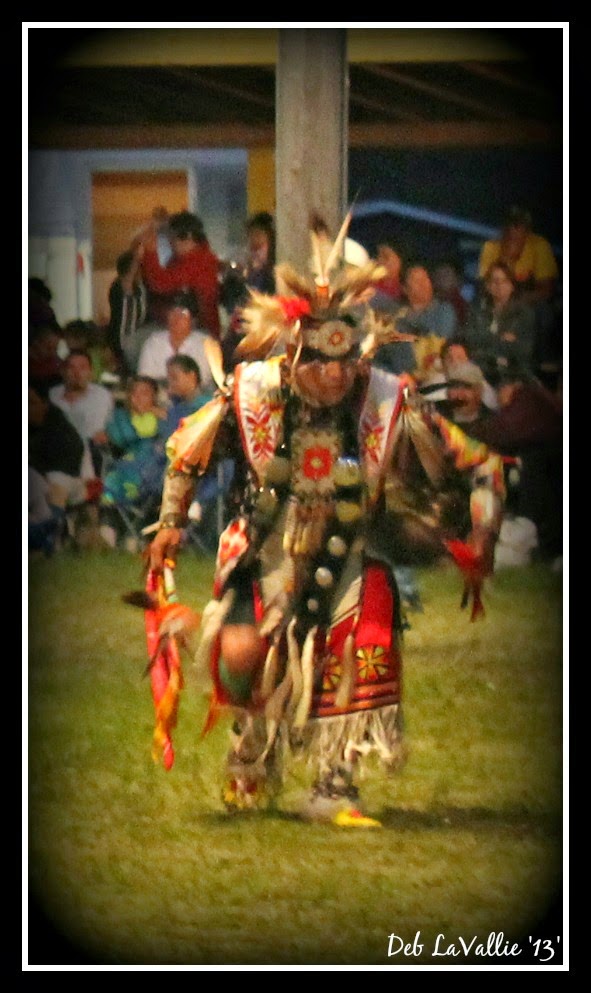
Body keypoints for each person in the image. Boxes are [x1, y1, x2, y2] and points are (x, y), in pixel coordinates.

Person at [143, 229, 505, 827]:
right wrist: (169, 524)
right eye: (320, 363)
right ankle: (250, 761)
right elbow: (187, 452)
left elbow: (478, 461)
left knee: (367, 638)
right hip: (267, 549)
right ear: (293, 357)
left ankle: (336, 785)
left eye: (344, 363)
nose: (335, 377)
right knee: (241, 657)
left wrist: (480, 535)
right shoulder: (254, 392)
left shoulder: (387, 398)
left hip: (354, 548)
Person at [466, 362, 562, 565]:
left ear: (510, 387)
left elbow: (507, 430)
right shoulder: (536, 399)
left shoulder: (526, 399)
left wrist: (469, 433)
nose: (499, 399)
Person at [99, 376, 168, 546]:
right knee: (112, 481)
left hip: (156, 469)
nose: (138, 398)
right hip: (126, 467)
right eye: (133, 393)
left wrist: (164, 421)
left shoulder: (164, 418)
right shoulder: (120, 417)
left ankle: (137, 534)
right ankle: (111, 530)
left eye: (144, 393)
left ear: (154, 397)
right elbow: (119, 438)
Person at [138, 209, 222, 339]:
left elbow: (160, 283)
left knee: (137, 343)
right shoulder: (195, 258)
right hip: (188, 328)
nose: (171, 243)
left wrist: (150, 252)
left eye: (173, 238)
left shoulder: (198, 261)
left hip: (197, 332)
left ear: (187, 236)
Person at [373, 263, 458, 376]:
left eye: (425, 279)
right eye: (416, 281)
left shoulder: (444, 310)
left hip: (435, 375)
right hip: (398, 378)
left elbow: (439, 339)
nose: (423, 284)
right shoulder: (393, 314)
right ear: (405, 289)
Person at [49, 349, 114, 479]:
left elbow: (109, 426)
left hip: (92, 451)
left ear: (91, 372)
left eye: (82, 368)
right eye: (71, 368)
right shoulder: (52, 395)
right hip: (56, 451)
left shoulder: (102, 396)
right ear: (63, 371)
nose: (77, 373)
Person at [464, 261, 537, 377]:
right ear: (487, 285)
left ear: (512, 285)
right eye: (494, 281)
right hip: (480, 371)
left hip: (513, 373)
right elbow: (470, 340)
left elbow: (524, 351)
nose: (499, 285)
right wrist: (500, 338)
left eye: (504, 281)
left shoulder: (524, 313)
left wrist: (486, 342)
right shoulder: (477, 310)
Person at [477, 206, 559, 306]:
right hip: (499, 299)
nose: (513, 229)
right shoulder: (491, 247)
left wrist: (516, 302)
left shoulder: (540, 246)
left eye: (519, 225)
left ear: (528, 230)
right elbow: (483, 284)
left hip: (529, 303)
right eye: (510, 224)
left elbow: (546, 290)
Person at [137, 290, 215, 393]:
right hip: (158, 400)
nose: (176, 318)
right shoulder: (154, 342)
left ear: (193, 320)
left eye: (182, 314)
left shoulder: (205, 344)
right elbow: (145, 380)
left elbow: (200, 382)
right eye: (172, 312)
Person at [105, 248, 149, 376]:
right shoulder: (119, 286)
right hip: (121, 341)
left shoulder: (140, 287)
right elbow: (128, 277)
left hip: (137, 340)